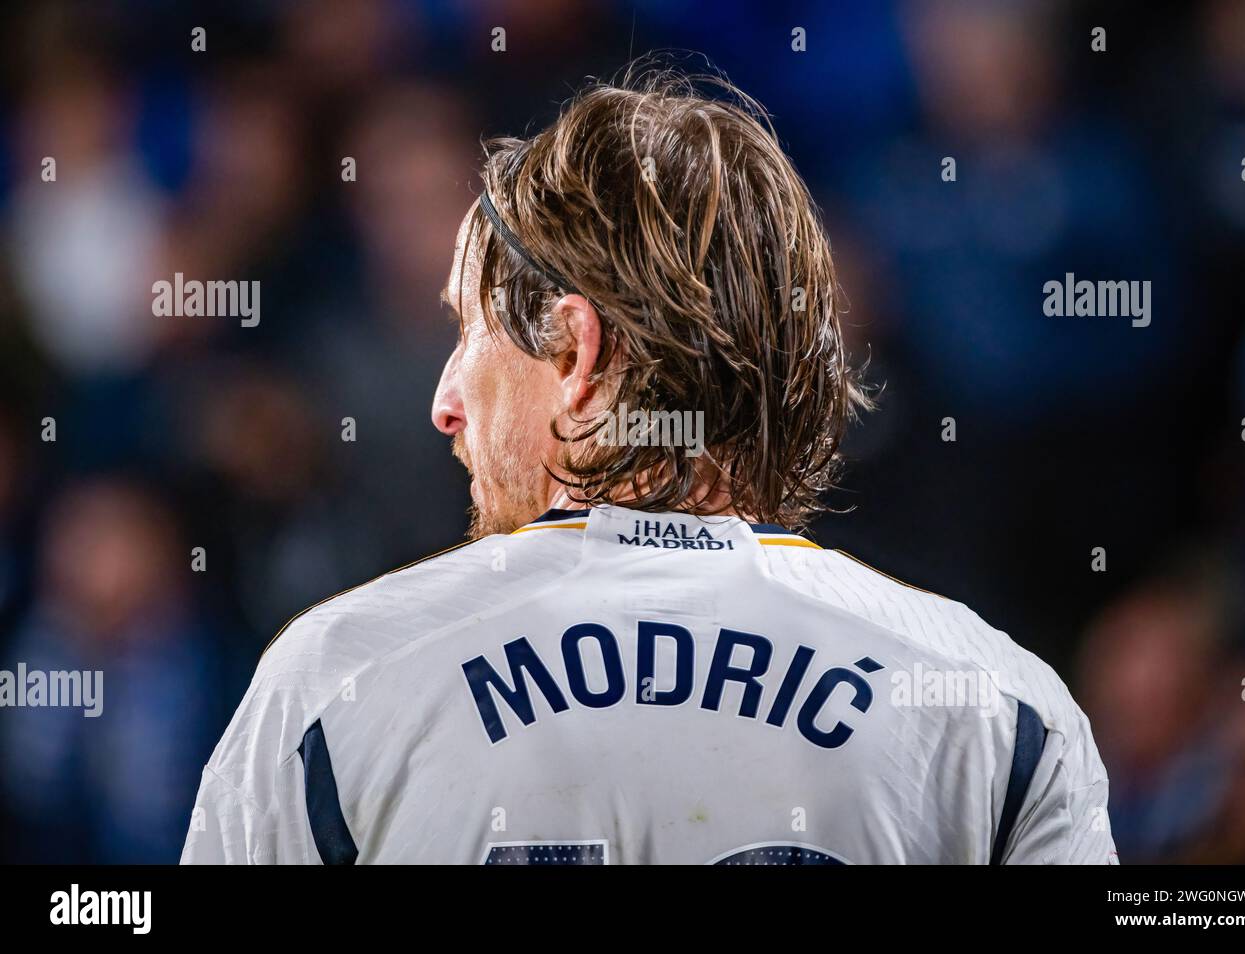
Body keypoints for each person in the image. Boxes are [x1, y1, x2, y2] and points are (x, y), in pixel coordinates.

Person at [181, 66, 1115, 864]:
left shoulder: (336, 685)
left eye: (469, 331)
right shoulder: (999, 711)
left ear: (577, 356)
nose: (445, 402)